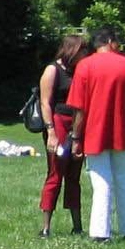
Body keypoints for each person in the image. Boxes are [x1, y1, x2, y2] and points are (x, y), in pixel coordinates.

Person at [66, 26, 125, 243]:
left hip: (94, 134)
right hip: (122, 133)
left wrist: (76, 138)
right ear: (111, 41)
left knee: (101, 182)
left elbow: (79, 108)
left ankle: (100, 232)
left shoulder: (85, 66)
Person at [38, 34, 88, 237]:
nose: (85, 54)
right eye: (83, 50)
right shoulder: (52, 70)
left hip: (77, 123)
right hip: (58, 121)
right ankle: (45, 227)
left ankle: (77, 226)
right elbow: (45, 102)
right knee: (55, 173)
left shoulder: (80, 70)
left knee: (74, 176)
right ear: (72, 50)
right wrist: (51, 132)